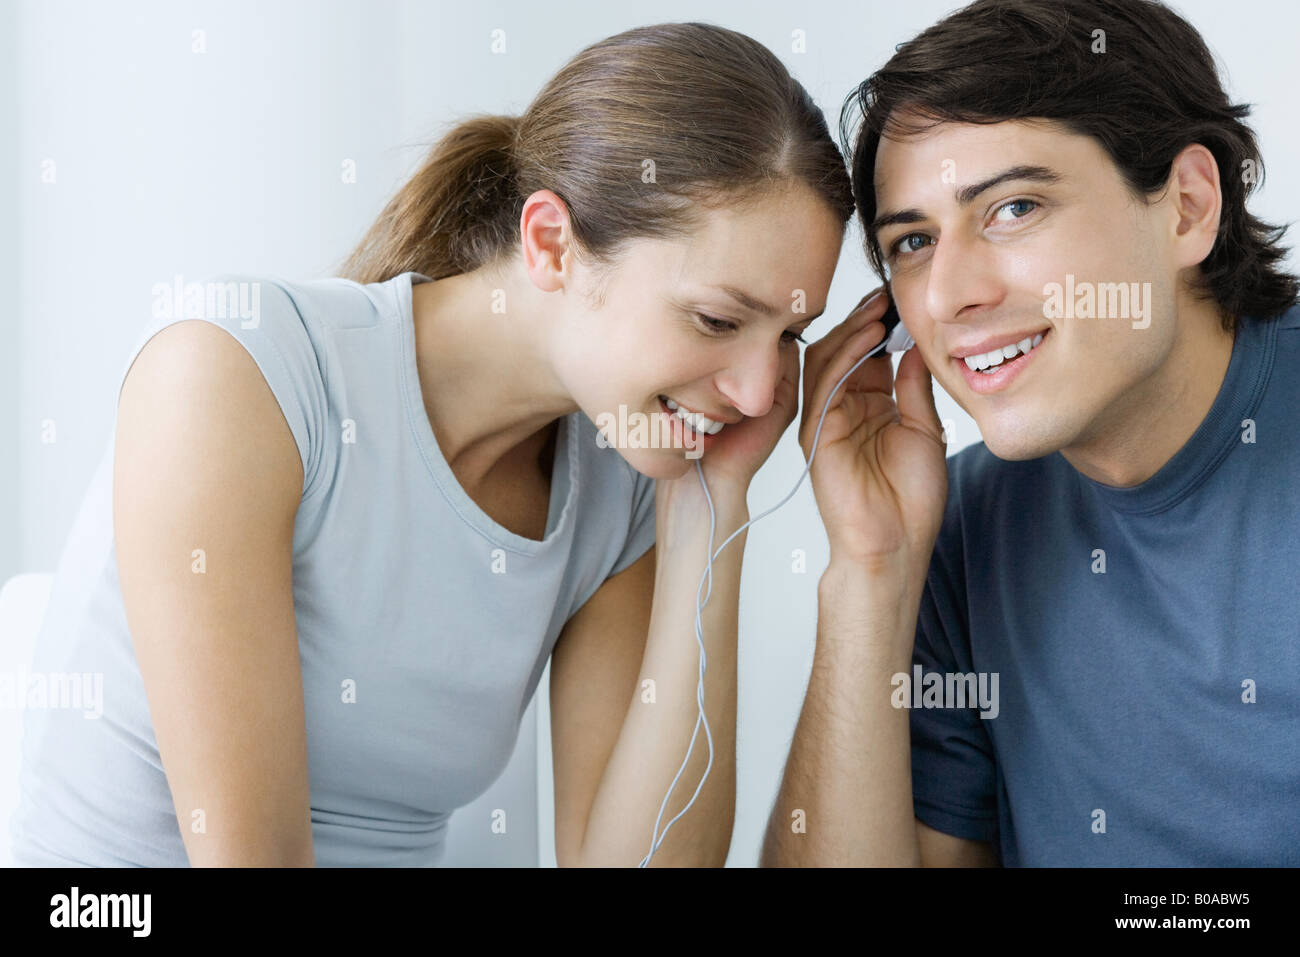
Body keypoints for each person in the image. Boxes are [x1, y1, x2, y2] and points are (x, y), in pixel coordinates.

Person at [9, 22, 855, 867]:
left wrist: (711, 512)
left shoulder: (621, 479)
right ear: (551, 244)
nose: (756, 391)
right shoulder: (235, 375)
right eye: (718, 319)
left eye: (788, 333)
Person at [763, 0, 1299, 866]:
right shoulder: (959, 527)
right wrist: (872, 573)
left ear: (1190, 207)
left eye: (1013, 208)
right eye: (911, 242)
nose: (947, 296)